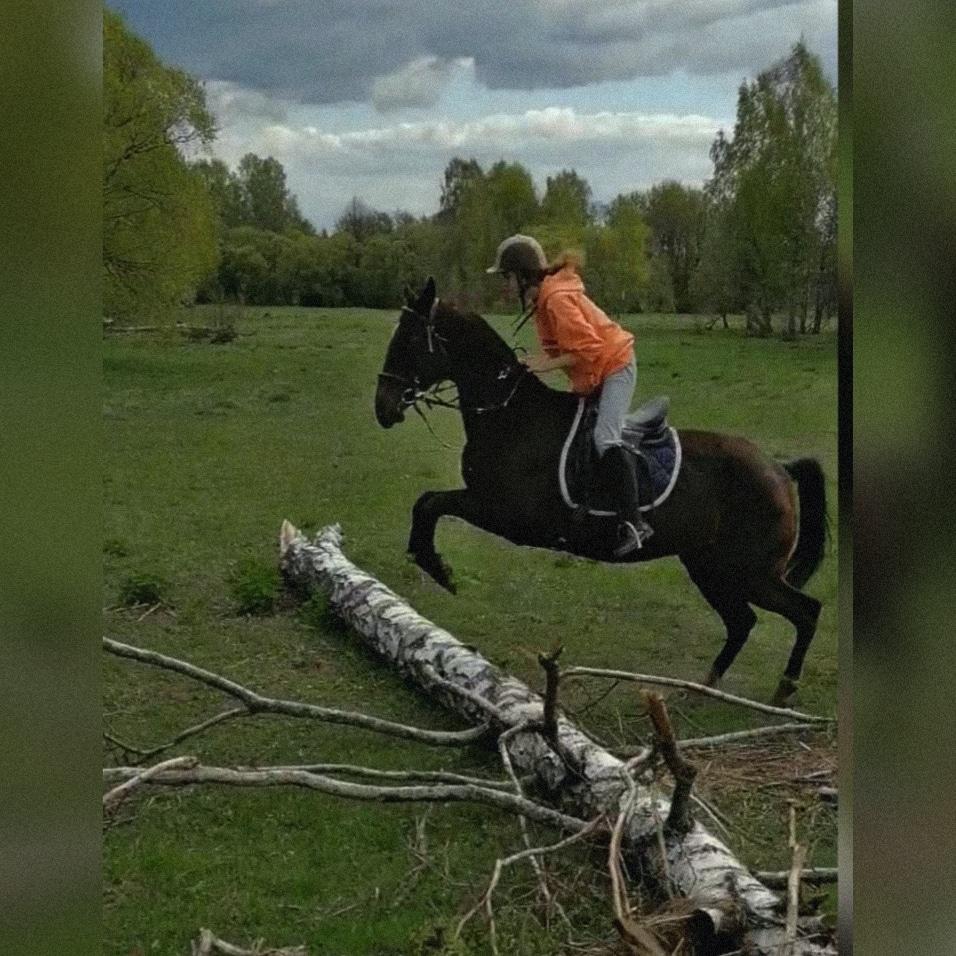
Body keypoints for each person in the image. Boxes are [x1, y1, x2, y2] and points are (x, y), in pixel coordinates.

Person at [486, 234, 654, 555]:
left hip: (616, 367)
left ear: (522, 276)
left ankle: (635, 523)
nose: (504, 286)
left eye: (506, 278)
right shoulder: (543, 301)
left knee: (605, 438)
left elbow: (587, 349)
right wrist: (534, 362)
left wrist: (543, 366)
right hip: (597, 371)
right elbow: (563, 351)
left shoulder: (555, 300)